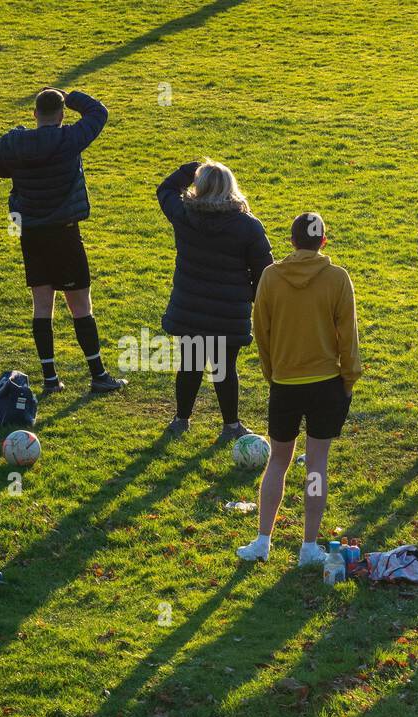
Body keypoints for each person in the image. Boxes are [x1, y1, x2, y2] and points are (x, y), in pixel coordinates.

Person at [0, 87, 125, 395]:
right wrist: (70, 94)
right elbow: (99, 112)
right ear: (62, 114)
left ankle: (51, 379)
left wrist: (13, 168)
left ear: (34, 114)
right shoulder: (70, 139)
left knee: (42, 305)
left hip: (32, 234)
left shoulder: (17, 143)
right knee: (81, 305)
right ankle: (98, 375)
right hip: (65, 233)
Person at [237, 213, 361, 565]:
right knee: (316, 466)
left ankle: (263, 541)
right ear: (323, 241)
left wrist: (272, 372)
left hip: (285, 382)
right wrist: (349, 378)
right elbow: (347, 335)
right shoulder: (337, 278)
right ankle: (308, 546)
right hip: (326, 384)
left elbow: (261, 330)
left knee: (278, 461)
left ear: (292, 241)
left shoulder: (271, 277)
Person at [156, 159, 273, 439]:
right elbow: (264, 272)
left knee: (190, 365)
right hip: (229, 312)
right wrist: (257, 302)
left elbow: (165, 189)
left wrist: (191, 167)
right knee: (224, 368)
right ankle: (231, 426)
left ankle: (181, 420)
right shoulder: (248, 226)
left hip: (190, 307)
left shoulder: (184, 214)